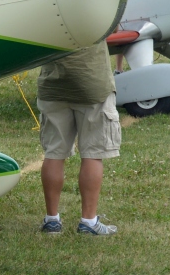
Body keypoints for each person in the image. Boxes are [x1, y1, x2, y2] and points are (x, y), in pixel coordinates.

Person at [37, 40, 121, 235]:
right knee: (93, 153)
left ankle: (52, 220)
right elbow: (114, 27)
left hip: (53, 83)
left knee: (54, 153)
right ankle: (89, 222)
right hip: (92, 82)